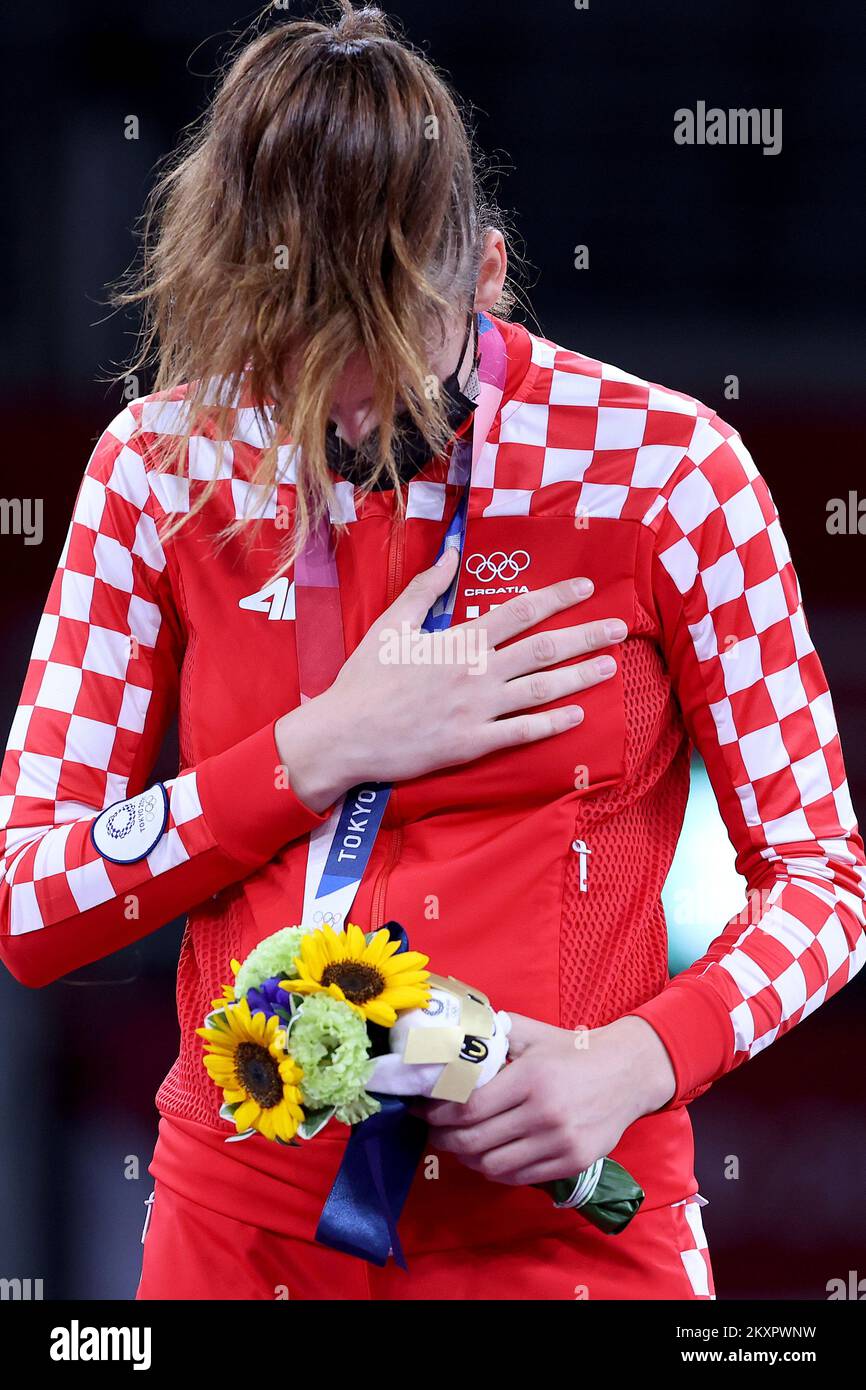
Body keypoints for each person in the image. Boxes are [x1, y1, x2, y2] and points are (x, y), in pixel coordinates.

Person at [0, 3, 863, 1301]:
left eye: (389, 366)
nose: (345, 418)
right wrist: (324, 747)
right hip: (240, 1236)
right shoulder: (160, 468)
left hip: (574, 1223)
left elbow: (822, 886)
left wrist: (634, 1057)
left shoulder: (667, 472)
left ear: (490, 275)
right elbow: (33, 907)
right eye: (294, 364)